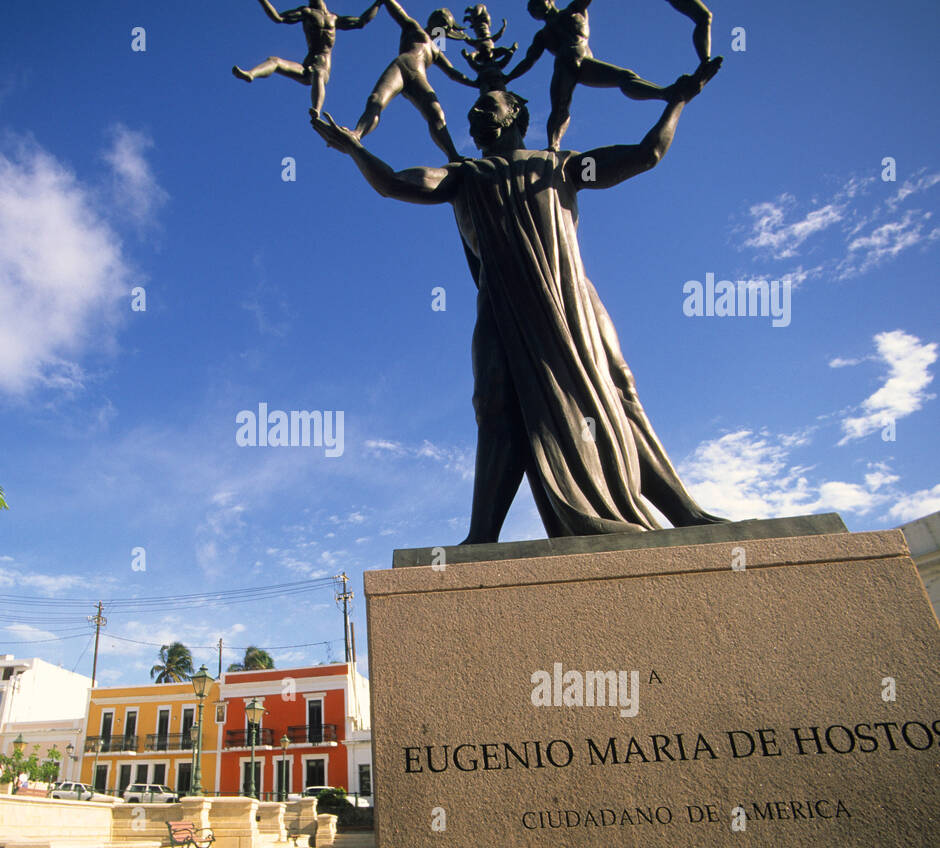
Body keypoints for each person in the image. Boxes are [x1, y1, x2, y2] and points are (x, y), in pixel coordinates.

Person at [310, 66, 725, 541]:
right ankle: (481, 536)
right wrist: (355, 149)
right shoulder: (464, 176)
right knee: (493, 400)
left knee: (619, 387)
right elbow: (396, 184)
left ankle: (687, 512)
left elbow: (647, 153)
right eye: (471, 113)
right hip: (502, 306)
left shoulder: (561, 165)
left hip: (571, 300)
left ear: (517, 115)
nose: (475, 119)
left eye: (487, 107)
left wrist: (678, 100)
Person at [502, 0, 719, 151]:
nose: (537, 9)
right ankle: (553, 145)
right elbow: (528, 60)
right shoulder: (543, 36)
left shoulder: (575, 10)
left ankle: (665, 93)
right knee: (560, 107)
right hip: (564, 66)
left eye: (538, 4)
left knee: (625, 77)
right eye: (533, 10)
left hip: (584, 62)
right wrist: (508, 77)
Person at [353, 3, 479, 161]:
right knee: (377, 100)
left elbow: (452, 73)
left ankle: (453, 156)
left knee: (436, 114)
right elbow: (398, 12)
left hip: (419, 77)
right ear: (432, 20)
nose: (443, 25)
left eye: (446, 25)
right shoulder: (414, 27)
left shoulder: (436, 49)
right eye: (442, 20)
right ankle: (357, 133)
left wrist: (475, 82)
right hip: (402, 66)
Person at [233, 0, 383, 119]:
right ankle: (251, 74)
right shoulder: (306, 12)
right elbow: (278, 18)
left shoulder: (334, 18)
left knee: (317, 74)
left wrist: (378, 3)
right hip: (306, 67)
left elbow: (361, 22)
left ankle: (316, 109)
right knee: (275, 60)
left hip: (322, 67)